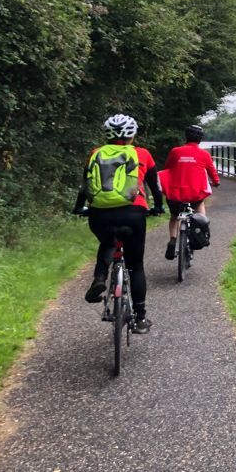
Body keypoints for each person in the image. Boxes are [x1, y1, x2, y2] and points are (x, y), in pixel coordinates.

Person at [73, 114, 163, 333]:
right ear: (132, 135)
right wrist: (158, 207)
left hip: (100, 213)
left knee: (108, 242)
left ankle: (100, 278)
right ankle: (140, 318)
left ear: (107, 135)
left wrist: (78, 208)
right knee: (136, 265)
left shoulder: (95, 153)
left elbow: (85, 186)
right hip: (133, 212)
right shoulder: (142, 154)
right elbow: (155, 186)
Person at [161, 124, 220, 260]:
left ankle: (172, 240)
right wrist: (216, 182)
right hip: (194, 194)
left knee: (174, 217)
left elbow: (167, 168)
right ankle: (202, 232)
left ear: (186, 137)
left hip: (176, 194)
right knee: (200, 206)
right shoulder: (204, 154)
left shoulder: (175, 151)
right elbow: (212, 171)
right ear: (200, 139)